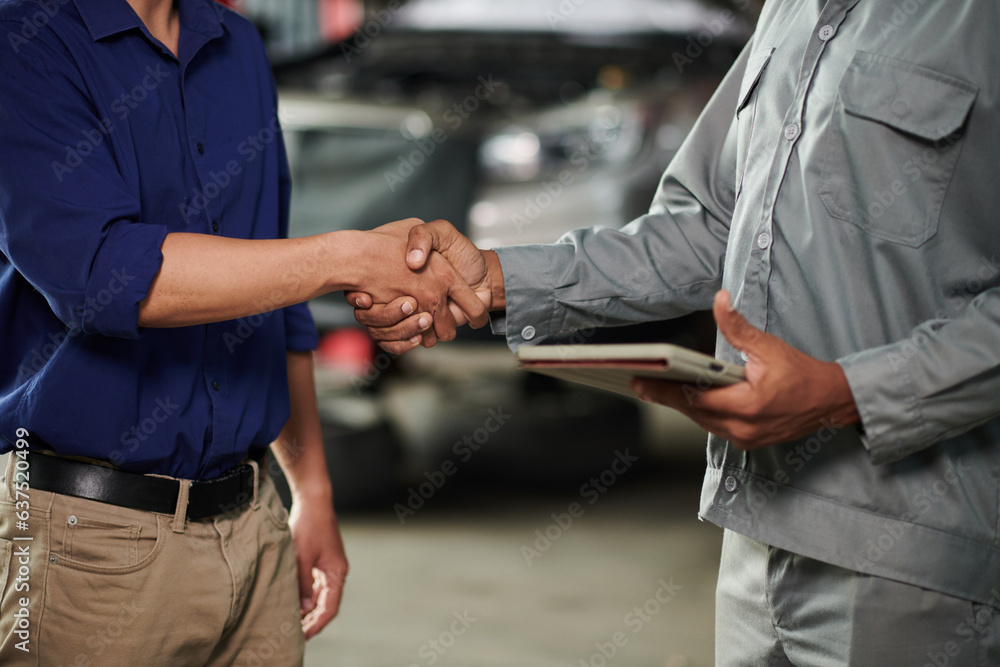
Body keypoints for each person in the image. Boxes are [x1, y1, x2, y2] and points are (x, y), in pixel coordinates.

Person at [352, 1, 1000, 664]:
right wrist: (495, 279)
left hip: (915, 555)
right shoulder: (794, 11)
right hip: (755, 526)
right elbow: (703, 227)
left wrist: (847, 392)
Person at [0, 0, 485, 664]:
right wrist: (345, 257)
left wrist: (310, 490)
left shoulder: (236, 46)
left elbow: (276, 292)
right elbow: (98, 274)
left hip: (252, 529)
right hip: (83, 541)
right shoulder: (25, 39)